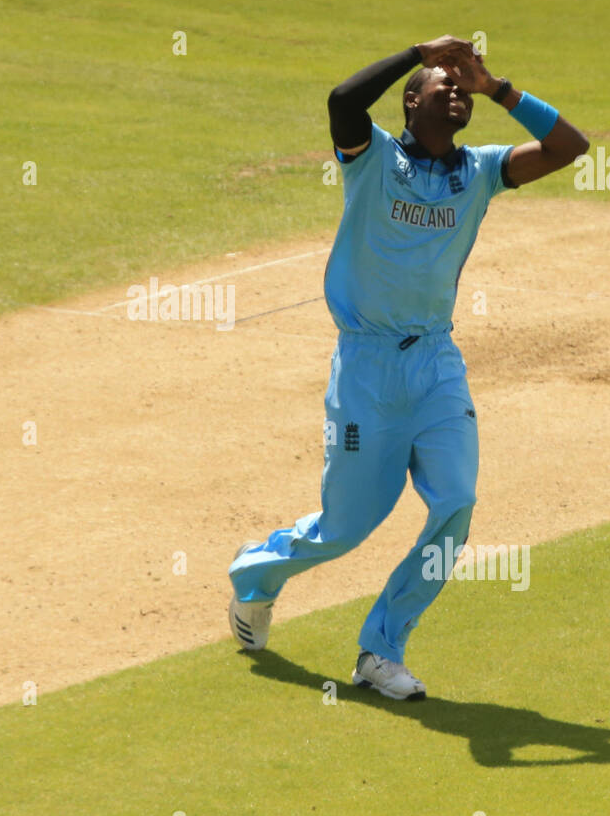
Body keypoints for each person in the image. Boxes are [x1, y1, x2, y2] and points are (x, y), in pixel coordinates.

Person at [228, 36, 589, 699]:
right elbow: (341, 99)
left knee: (456, 503)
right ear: (410, 99)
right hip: (366, 369)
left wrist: (500, 88)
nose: (454, 88)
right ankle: (256, 576)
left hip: (436, 366)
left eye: (461, 85)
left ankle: (381, 649)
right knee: (345, 528)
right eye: (439, 81)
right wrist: (416, 50)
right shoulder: (371, 159)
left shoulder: (478, 171)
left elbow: (571, 148)